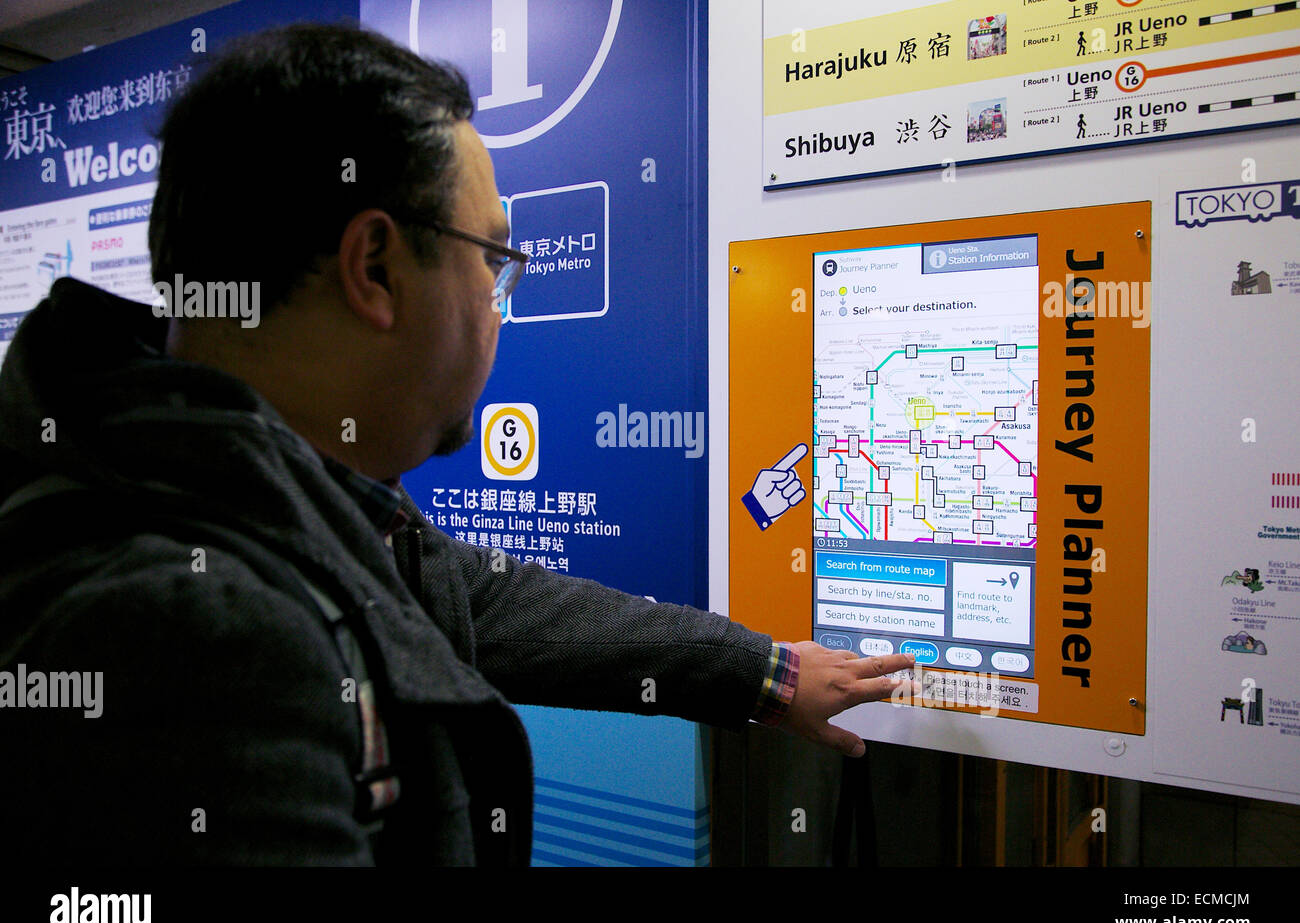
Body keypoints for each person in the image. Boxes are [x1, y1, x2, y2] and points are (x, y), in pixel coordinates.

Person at [0, 23, 914, 865]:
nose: (495, 305)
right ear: (375, 269)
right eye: (493, 260)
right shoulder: (193, 641)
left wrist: (770, 673)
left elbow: (486, 599)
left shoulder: (228, 487)